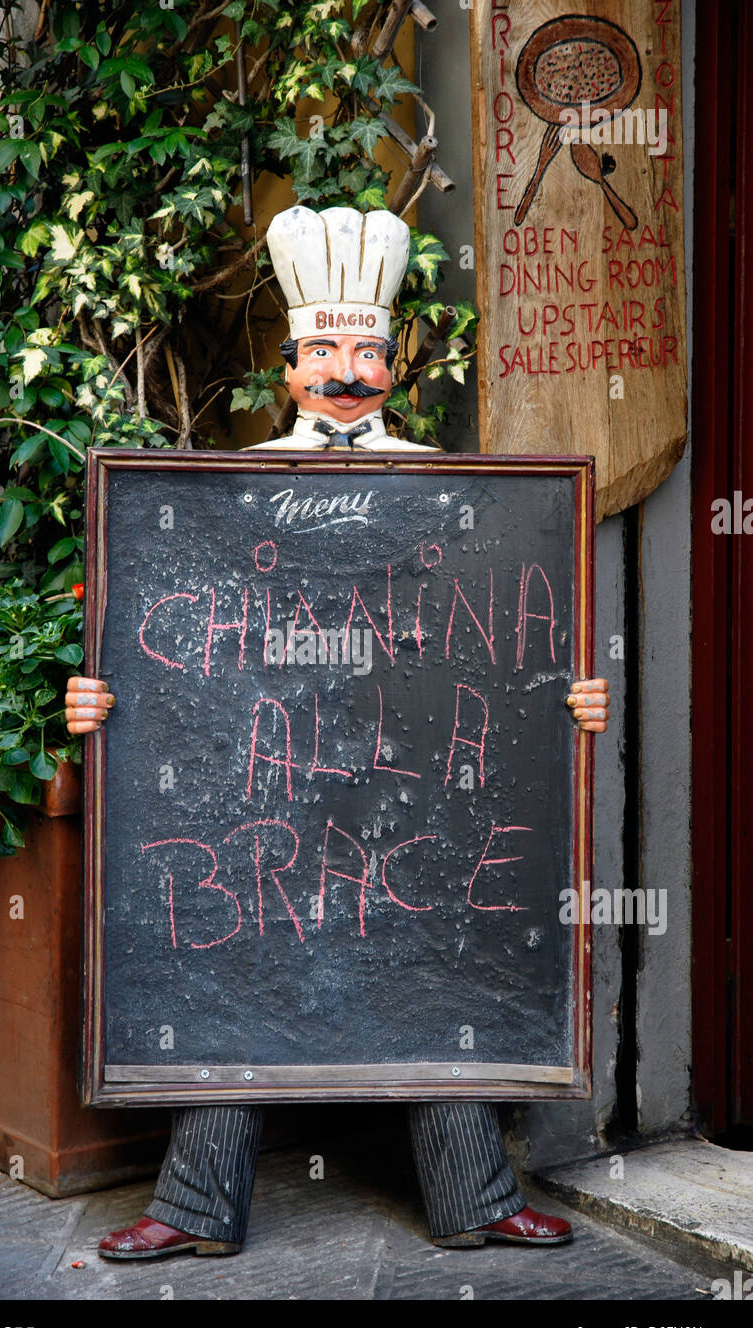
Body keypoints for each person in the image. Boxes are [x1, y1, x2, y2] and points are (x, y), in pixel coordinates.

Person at [66, 205, 610, 1261]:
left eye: (367, 351)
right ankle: (194, 1203)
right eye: (325, 350)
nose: (346, 371)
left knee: (441, 947)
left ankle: (475, 1195)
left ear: (394, 365)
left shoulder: (457, 493)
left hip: (406, 776)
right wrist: (99, 703)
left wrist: (569, 703)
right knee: (226, 951)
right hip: (261, 776)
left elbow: (507, 641)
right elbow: (166, 649)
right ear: (290, 364)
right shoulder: (224, 493)